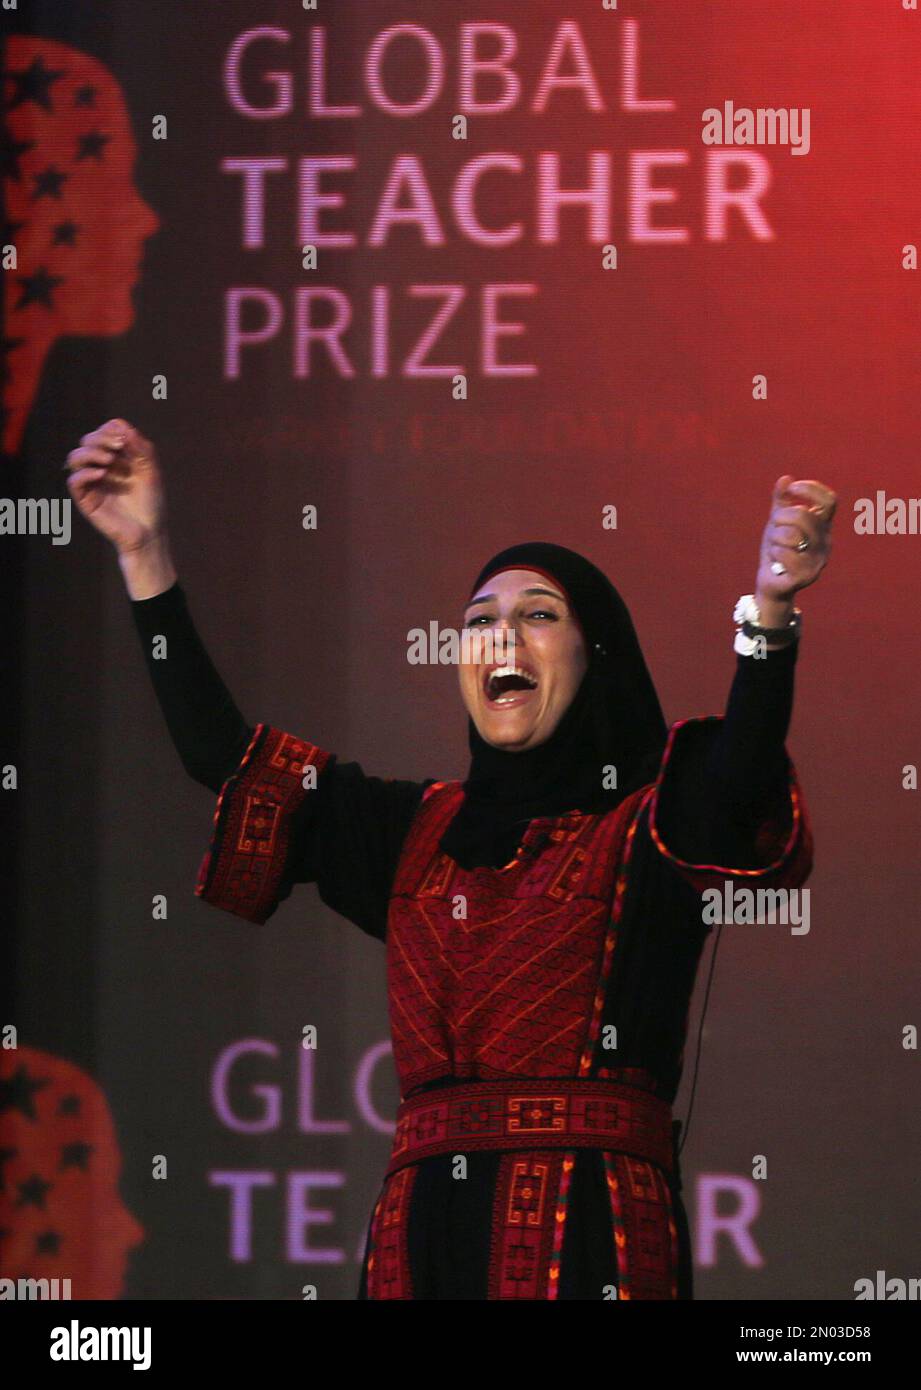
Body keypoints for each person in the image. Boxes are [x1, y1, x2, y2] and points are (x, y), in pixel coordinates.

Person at [64, 418, 834, 1300]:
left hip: (589, 1239)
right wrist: (145, 559)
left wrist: (769, 618)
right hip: (418, 1242)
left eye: (538, 616)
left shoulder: (648, 820)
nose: (500, 638)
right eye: (478, 623)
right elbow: (223, 757)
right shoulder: (413, 829)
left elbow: (739, 778)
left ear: (596, 657)